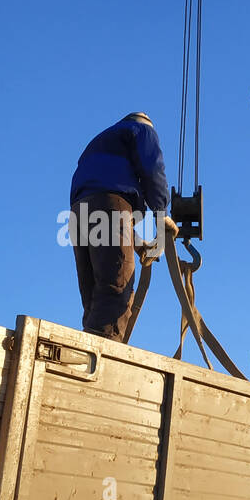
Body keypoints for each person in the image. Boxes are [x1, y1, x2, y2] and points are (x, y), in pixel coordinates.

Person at [69, 112, 171, 341]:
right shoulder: (142, 131)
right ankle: (101, 360)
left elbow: (102, 210)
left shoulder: (99, 142)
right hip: (109, 207)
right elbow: (153, 169)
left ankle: (88, 349)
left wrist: (138, 243)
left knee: (95, 298)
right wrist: (161, 215)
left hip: (79, 213)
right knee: (117, 291)